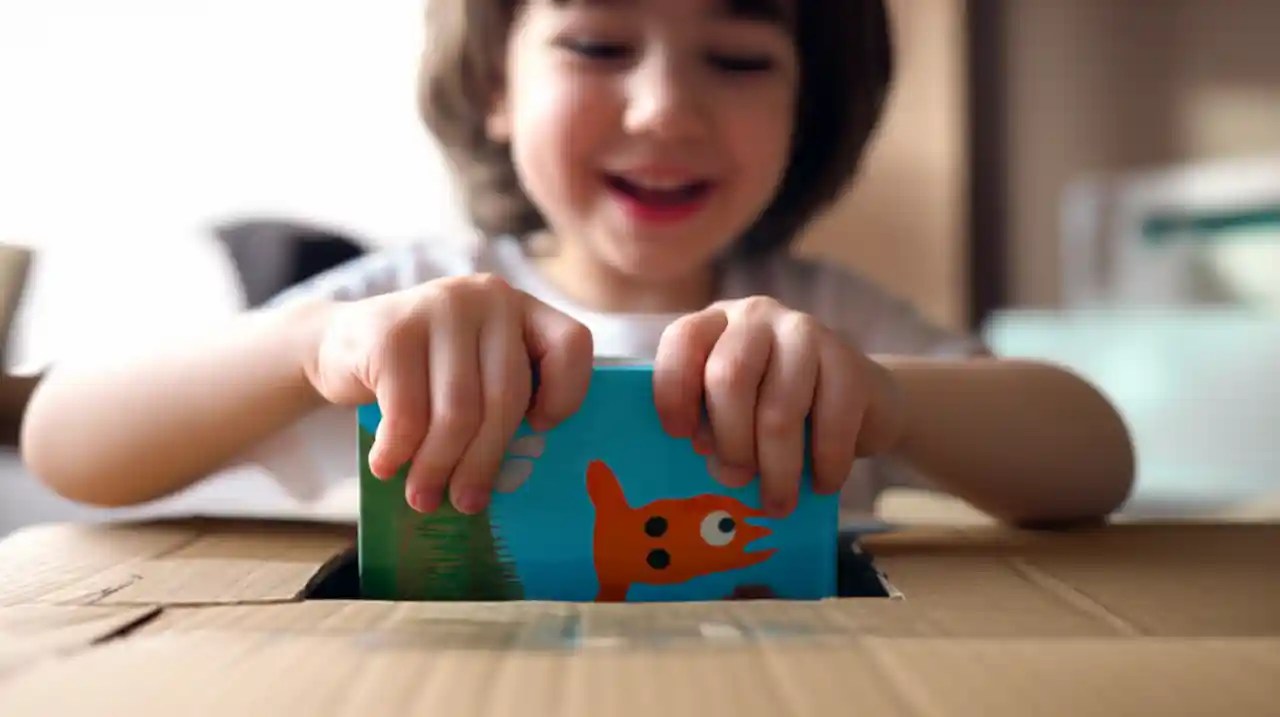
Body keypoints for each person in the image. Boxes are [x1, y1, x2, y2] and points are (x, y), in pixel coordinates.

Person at [19, 0, 1134, 526]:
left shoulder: (819, 318)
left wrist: (885, 401)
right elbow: (65, 440)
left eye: (739, 59)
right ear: (496, 88)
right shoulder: (397, 306)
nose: (664, 109)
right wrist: (316, 347)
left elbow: (1094, 459)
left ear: (810, 108)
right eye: (597, 46)